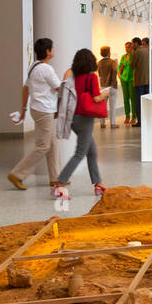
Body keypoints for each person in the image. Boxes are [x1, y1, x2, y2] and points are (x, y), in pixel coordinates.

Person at [52, 49, 110, 202]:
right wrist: (106, 94)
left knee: (92, 151)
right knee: (80, 153)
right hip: (85, 118)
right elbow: (97, 98)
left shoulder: (72, 77)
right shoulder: (91, 77)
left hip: (73, 118)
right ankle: (60, 184)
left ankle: (98, 183)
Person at [8, 37, 61, 191]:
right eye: (52, 48)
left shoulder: (34, 67)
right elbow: (59, 88)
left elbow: (25, 89)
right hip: (44, 110)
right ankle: (17, 174)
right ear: (48, 51)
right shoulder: (46, 69)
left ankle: (56, 177)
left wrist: (23, 109)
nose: (53, 50)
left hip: (37, 108)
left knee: (52, 144)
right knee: (43, 146)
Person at [97, 45, 119, 129]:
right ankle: (112, 124)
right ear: (109, 52)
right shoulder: (113, 62)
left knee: (102, 105)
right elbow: (114, 74)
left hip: (103, 86)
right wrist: (112, 84)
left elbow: (99, 75)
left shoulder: (99, 63)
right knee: (112, 105)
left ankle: (102, 123)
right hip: (112, 86)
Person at [118, 40, 135, 127]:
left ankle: (134, 116)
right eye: (125, 47)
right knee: (125, 98)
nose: (127, 49)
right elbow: (120, 66)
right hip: (124, 79)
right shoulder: (123, 57)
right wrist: (119, 75)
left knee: (132, 98)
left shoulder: (134, 56)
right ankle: (127, 116)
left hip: (132, 79)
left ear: (132, 47)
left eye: (128, 47)